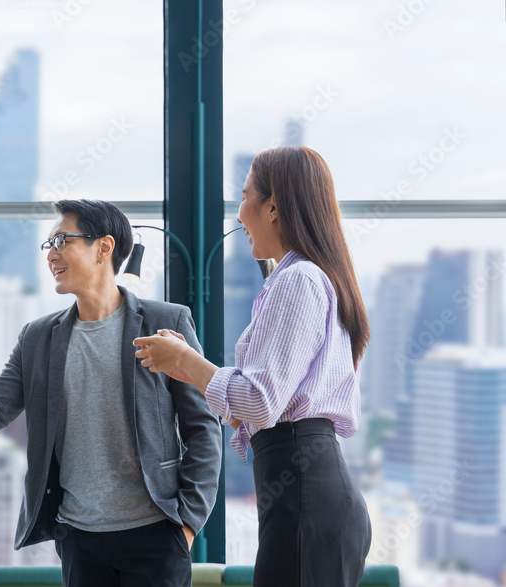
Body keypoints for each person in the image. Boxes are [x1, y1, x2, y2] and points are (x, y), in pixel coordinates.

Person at [0, 200, 222, 587]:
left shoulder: (166, 321)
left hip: (156, 533)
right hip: (79, 539)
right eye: (48, 245)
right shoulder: (38, 337)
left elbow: (202, 427)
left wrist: (187, 523)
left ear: (104, 247)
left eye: (62, 240)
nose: (52, 255)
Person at [134, 146, 372, 586]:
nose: (240, 214)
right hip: (307, 494)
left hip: (305, 497)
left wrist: (189, 360)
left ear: (274, 206)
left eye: (245, 198)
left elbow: (260, 402)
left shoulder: (297, 279)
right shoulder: (306, 276)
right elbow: (264, 400)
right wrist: (190, 370)